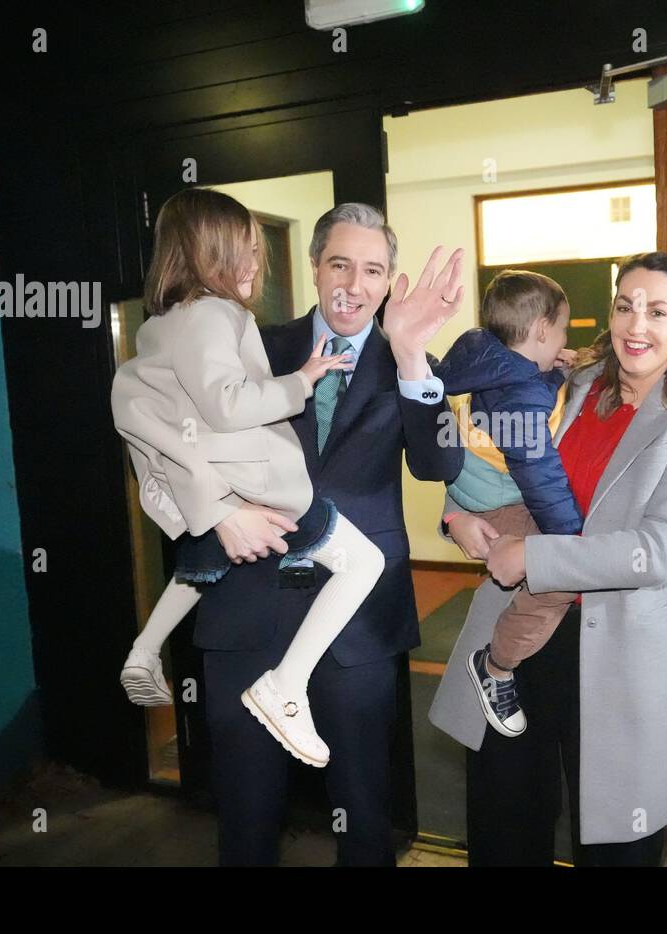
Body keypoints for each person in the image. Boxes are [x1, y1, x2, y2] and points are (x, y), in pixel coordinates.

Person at [429, 251, 667, 866]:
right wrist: (455, 516)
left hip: (614, 652)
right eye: (626, 306)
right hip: (515, 640)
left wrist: (536, 559)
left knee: (615, 844)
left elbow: (658, 551)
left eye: (657, 311)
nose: (637, 325)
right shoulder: (567, 386)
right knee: (503, 826)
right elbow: (491, 462)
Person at [190, 202, 465, 866]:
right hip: (247, 612)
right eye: (340, 263)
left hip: (357, 627)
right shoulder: (254, 348)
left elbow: (440, 463)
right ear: (315, 267)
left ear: (389, 280)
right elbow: (186, 452)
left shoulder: (408, 363)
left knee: (364, 811)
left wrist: (409, 355)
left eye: (373, 270)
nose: (354, 283)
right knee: (246, 815)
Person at [110, 187, 388, 769]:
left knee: (201, 564)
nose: (257, 267)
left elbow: (152, 416)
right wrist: (303, 380)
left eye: (373, 270)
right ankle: (287, 685)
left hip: (226, 489)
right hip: (263, 482)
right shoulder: (219, 314)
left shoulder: (161, 324)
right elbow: (228, 405)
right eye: (248, 252)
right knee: (363, 563)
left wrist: (210, 508)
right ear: (213, 253)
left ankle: (144, 648)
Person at [430, 270, 582, 737]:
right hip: (501, 502)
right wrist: (569, 536)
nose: (563, 341)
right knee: (557, 577)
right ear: (540, 330)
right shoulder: (520, 393)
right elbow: (537, 471)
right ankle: (496, 667)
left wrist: (557, 368)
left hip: (482, 493)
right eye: (560, 330)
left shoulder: (491, 360)